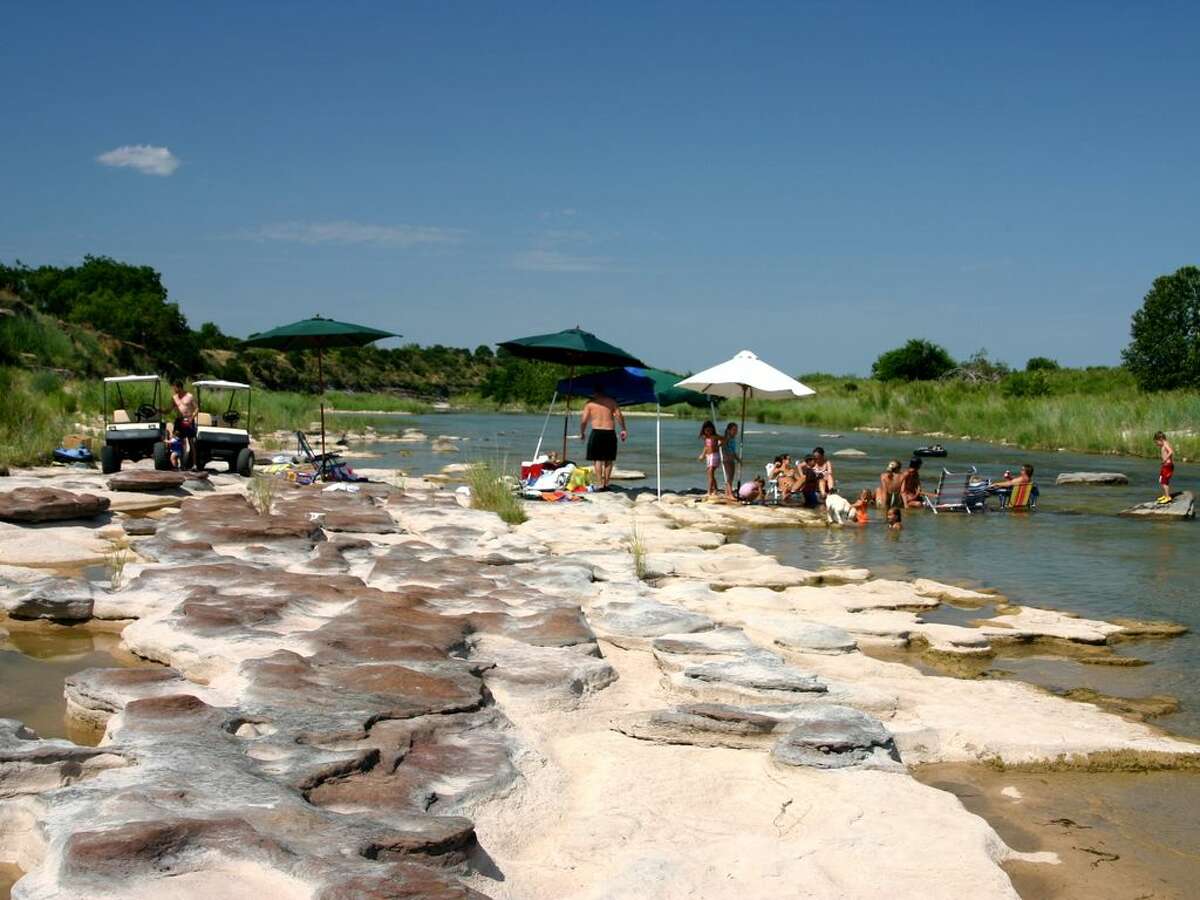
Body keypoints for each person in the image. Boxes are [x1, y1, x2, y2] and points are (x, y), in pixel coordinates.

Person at [580, 388, 626, 490]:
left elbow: (584, 420)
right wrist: (623, 429)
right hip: (609, 432)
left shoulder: (590, 404)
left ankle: (600, 484)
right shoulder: (611, 402)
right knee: (608, 459)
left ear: (595, 392)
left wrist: (582, 432)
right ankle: (606, 484)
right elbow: (619, 415)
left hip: (597, 432)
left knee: (597, 459)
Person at [170, 381, 198, 470]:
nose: (173, 390)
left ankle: (194, 464)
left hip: (188, 420)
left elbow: (197, 408)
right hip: (179, 421)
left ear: (179, 387)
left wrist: (191, 418)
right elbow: (170, 409)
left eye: (174, 388)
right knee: (178, 442)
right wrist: (161, 410)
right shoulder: (174, 397)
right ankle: (181, 465)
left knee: (191, 442)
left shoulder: (189, 396)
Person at [697, 421, 721, 497]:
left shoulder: (715, 436)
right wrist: (702, 455)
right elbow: (706, 447)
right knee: (710, 474)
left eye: (710, 430)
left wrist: (719, 445)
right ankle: (716, 489)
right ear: (704, 430)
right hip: (708, 456)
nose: (708, 432)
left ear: (712, 429)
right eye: (707, 431)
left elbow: (724, 439)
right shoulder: (706, 437)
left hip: (715, 456)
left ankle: (709, 491)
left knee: (710, 473)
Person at [721, 423, 741, 499]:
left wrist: (738, 459)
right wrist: (722, 443)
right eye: (734, 430)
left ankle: (727, 492)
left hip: (731, 459)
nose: (736, 432)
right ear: (729, 430)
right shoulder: (727, 438)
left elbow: (733, 451)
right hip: (727, 459)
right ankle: (730, 494)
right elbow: (722, 446)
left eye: (736, 430)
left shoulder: (733, 439)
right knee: (729, 477)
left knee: (731, 477)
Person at [1155, 431, 1175, 503]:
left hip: (1167, 465)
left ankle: (1167, 497)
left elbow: (1171, 451)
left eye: (1157, 442)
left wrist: (1165, 459)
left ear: (1160, 439)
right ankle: (1165, 495)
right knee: (1162, 480)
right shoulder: (1164, 444)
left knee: (1164, 481)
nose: (1156, 444)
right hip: (1166, 465)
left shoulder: (1165, 444)